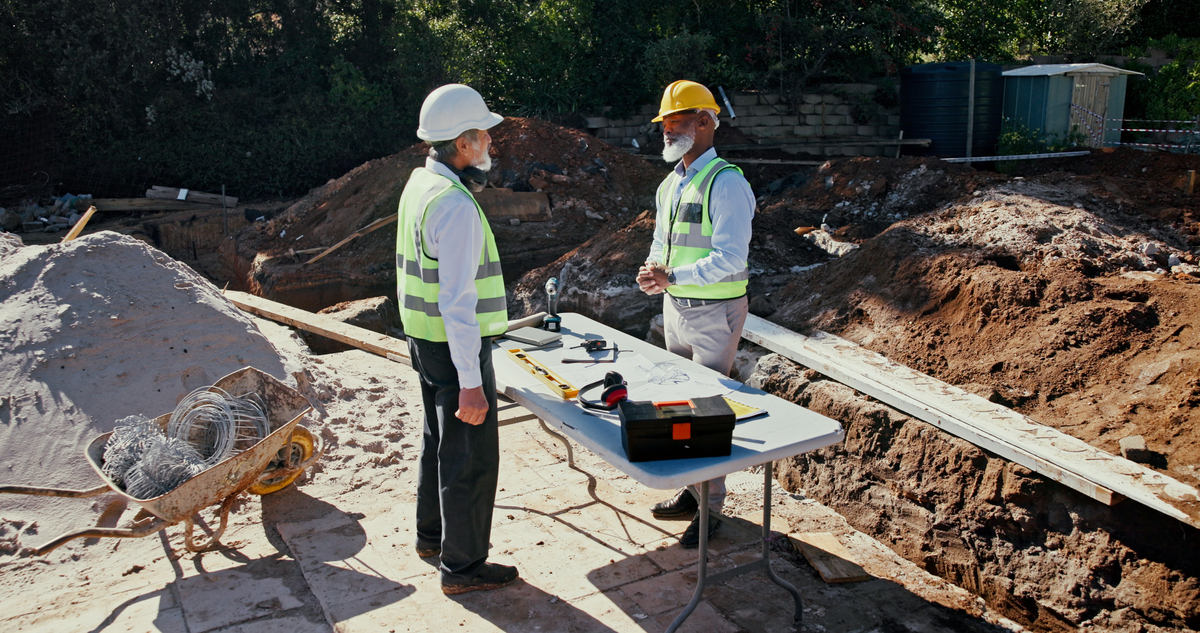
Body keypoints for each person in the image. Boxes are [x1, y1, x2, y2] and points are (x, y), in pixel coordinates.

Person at [396, 83, 518, 594]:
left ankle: (432, 539)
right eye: (483, 133)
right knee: (469, 457)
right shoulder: (456, 206)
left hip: (424, 343)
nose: (491, 140)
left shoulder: (419, 185)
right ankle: (463, 568)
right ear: (463, 144)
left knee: (437, 442)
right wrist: (472, 382)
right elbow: (458, 304)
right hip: (454, 348)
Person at [636, 80, 755, 549]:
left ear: (704, 122)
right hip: (677, 307)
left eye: (676, 121)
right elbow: (661, 247)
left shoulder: (726, 182)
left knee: (708, 412)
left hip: (713, 311)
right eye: (664, 122)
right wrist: (651, 274)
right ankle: (691, 492)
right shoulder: (671, 183)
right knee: (681, 405)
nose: (666, 130)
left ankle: (712, 510)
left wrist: (674, 278)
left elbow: (731, 258)